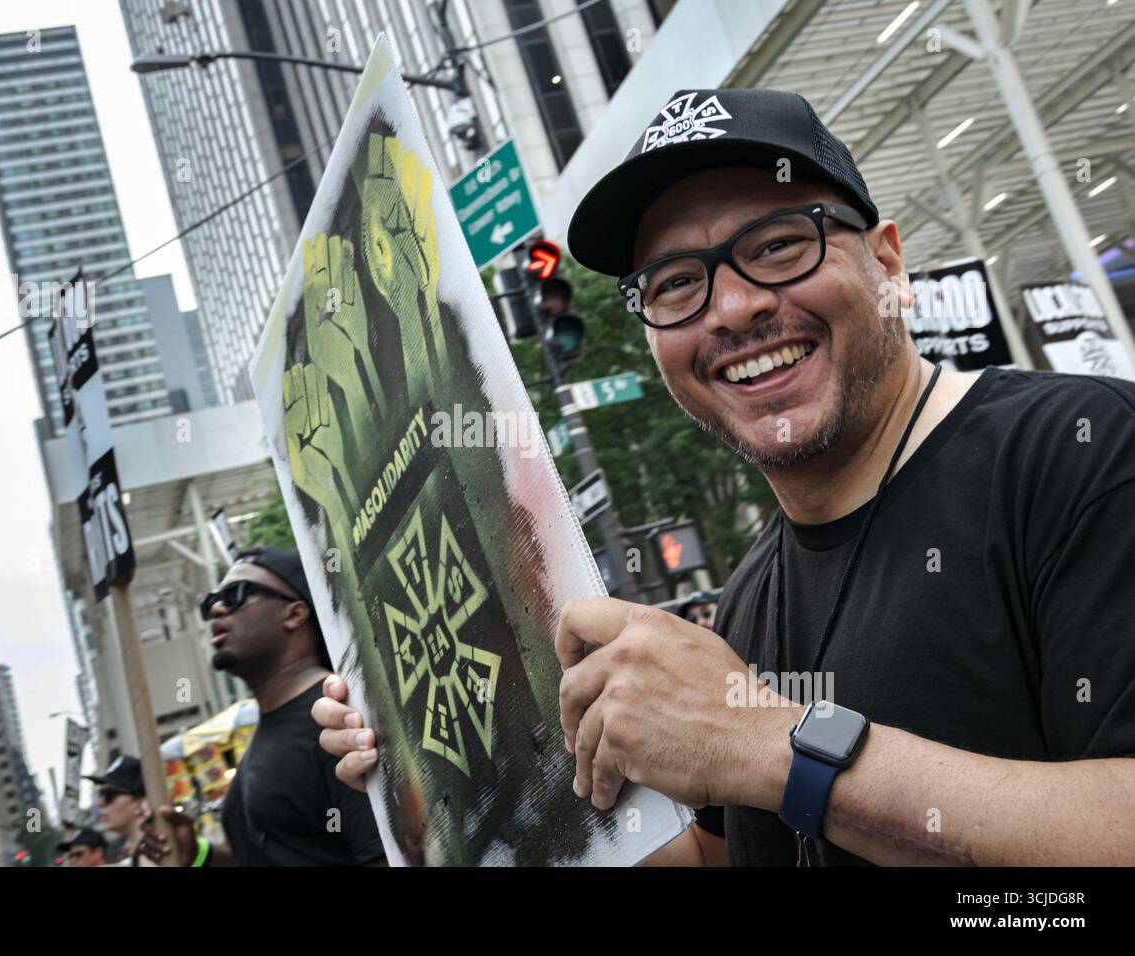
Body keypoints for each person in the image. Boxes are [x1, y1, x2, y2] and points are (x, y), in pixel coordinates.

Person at [314, 87, 1135, 866]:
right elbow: (728, 853)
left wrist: (772, 744)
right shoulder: (744, 604)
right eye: (676, 284)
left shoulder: (1086, 452)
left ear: (889, 264)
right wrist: (471, 759)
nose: (733, 308)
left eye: (778, 245)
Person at [141, 547, 384, 866]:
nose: (216, 608)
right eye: (209, 601)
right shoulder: (267, 730)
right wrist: (199, 855)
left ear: (294, 613)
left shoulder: (340, 720)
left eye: (235, 594)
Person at [85, 755, 155, 867]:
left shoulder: (155, 853)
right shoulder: (146, 851)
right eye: (100, 794)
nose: (100, 803)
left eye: (109, 795)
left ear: (140, 802)